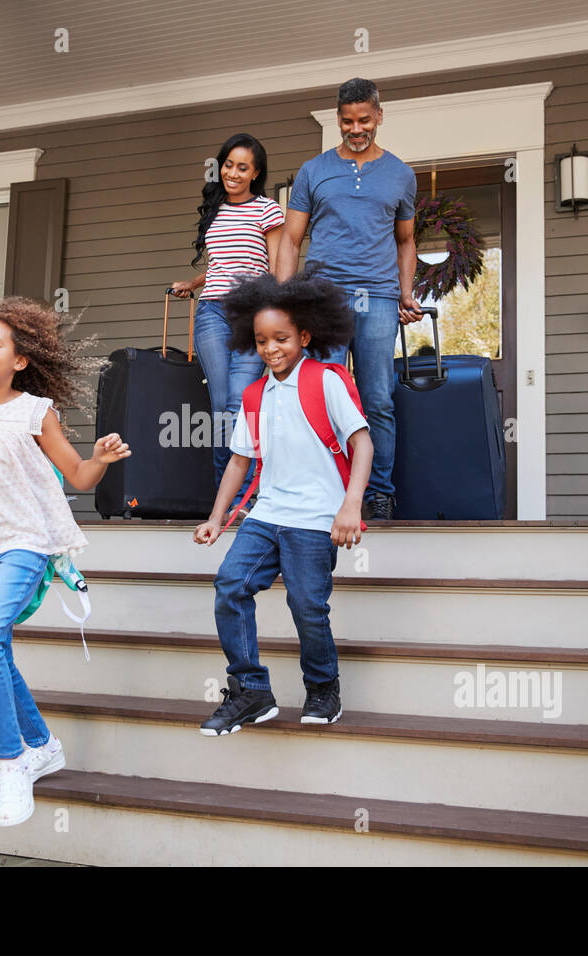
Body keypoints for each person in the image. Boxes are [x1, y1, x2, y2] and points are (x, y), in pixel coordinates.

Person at [0, 298, 130, 827]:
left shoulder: (35, 411)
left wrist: (101, 461)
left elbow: (79, 479)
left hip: (25, 544)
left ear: (20, 359)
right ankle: (43, 744)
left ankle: (12, 761)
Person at [193, 272, 372, 734]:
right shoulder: (255, 395)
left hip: (316, 517)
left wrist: (351, 506)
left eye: (281, 338)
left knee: (307, 605)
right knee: (231, 586)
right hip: (267, 513)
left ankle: (322, 686)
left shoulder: (327, 380)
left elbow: (363, 443)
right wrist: (216, 519)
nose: (271, 348)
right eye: (261, 340)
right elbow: (238, 462)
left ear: (304, 336)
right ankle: (251, 690)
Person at [275, 77, 419, 520]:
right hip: (324, 298)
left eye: (364, 120)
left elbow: (406, 241)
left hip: (377, 298)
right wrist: (284, 300)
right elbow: (291, 239)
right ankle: (329, 489)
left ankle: (378, 493)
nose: (356, 129)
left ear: (379, 116)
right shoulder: (314, 171)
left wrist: (406, 293)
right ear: (337, 120)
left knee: (377, 398)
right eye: (347, 121)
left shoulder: (400, 173)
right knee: (323, 397)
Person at [170, 132, 285, 502]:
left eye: (243, 168)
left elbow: (275, 263)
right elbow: (223, 263)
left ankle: (246, 497)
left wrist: (281, 309)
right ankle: (230, 500)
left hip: (253, 315)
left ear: (256, 173)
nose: (233, 173)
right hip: (211, 313)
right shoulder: (214, 210)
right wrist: (193, 281)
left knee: (240, 403)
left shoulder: (267, 210)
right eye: (229, 164)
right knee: (221, 408)